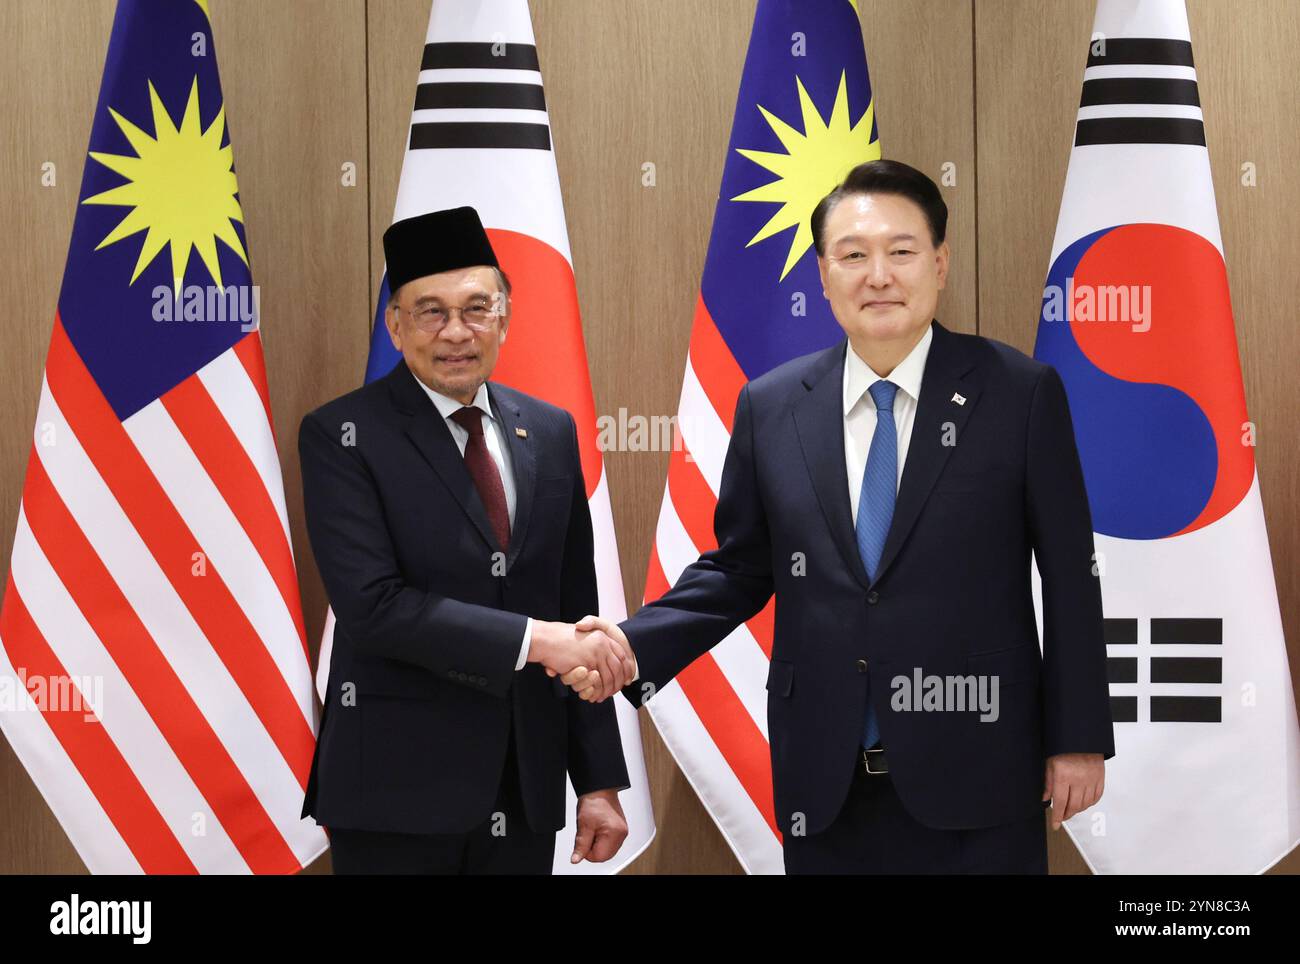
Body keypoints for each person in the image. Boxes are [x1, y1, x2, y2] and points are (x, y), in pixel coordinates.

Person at [570, 160, 1115, 874]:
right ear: (823, 276)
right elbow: (739, 567)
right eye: (853, 255)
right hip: (825, 782)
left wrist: (1075, 737)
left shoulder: (1019, 395)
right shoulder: (771, 406)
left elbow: (1071, 578)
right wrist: (633, 645)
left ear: (941, 264)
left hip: (979, 768)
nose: (878, 275)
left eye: (901, 251)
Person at [298, 206, 634, 874]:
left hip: (524, 782)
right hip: (394, 790)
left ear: (505, 318)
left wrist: (597, 781)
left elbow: (577, 610)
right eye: (430, 312)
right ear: (395, 327)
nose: (457, 332)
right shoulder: (343, 435)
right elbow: (376, 608)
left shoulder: (551, 430)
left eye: (477, 309)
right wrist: (539, 641)